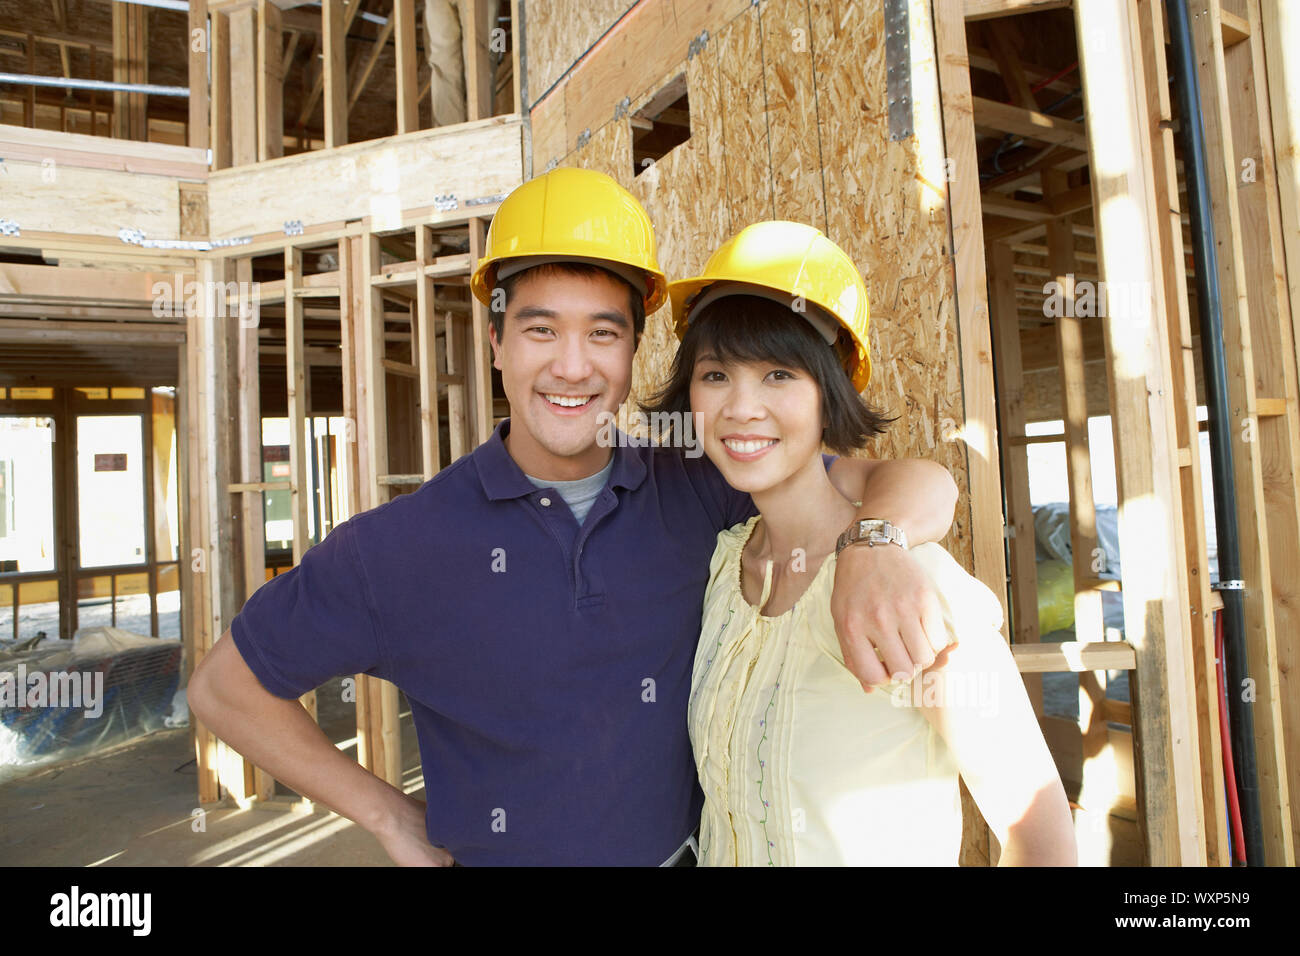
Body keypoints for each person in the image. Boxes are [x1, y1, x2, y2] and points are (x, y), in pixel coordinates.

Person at [188, 170, 963, 866]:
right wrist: (387, 815)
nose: (571, 365)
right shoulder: (399, 547)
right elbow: (225, 688)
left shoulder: (701, 485)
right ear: (495, 342)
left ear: (631, 354)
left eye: (603, 333)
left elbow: (911, 480)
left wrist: (874, 544)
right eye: (539, 329)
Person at [644, 220, 1077, 865]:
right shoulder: (723, 567)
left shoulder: (911, 582)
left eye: (778, 375)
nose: (740, 407)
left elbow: (1041, 840)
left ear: (832, 389)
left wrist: (870, 545)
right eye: (716, 376)